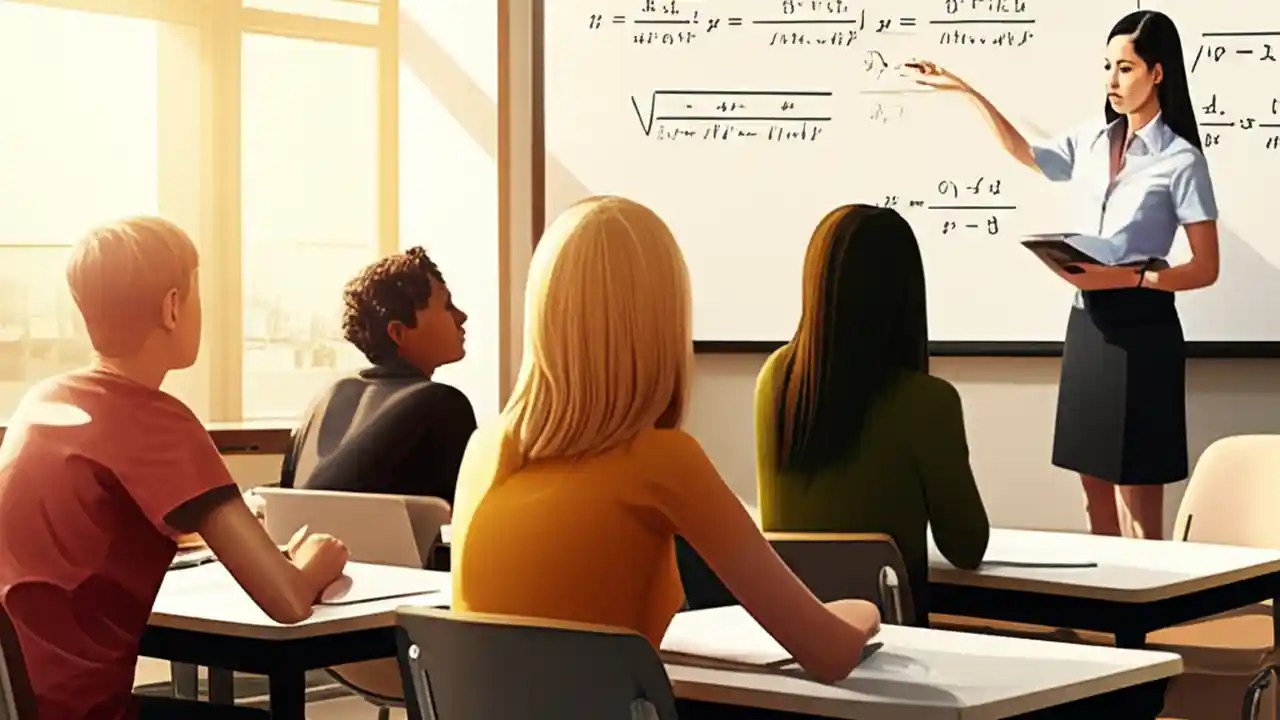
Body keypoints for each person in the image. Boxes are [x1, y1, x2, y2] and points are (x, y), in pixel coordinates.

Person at [450, 196, 881, 706]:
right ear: (662, 322)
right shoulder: (661, 461)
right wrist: (863, 611)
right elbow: (828, 653)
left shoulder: (483, 453)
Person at [0, 217, 350, 720]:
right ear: (172, 307)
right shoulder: (157, 420)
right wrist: (318, 560)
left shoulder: (44, 400)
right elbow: (288, 602)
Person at [906, 10, 1220, 540]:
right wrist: (966, 90)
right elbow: (1022, 151)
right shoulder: (1092, 142)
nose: (1111, 81)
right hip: (1088, 328)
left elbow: (1205, 267)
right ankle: (1104, 609)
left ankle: (1143, 613)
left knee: (1138, 501)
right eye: (1107, 68)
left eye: (1124, 68)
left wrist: (1136, 280)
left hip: (1144, 331)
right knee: (1092, 489)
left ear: (1157, 73)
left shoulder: (1180, 160)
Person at [755, 204, 990, 619]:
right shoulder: (928, 402)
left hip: (793, 634)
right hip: (896, 638)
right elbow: (966, 547)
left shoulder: (777, 379)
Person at [279, 246, 475, 505]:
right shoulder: (444, 404)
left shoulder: (323, 398)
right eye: (447, 305)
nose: (462, 316)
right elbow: (469, 518)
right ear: (398, 332)